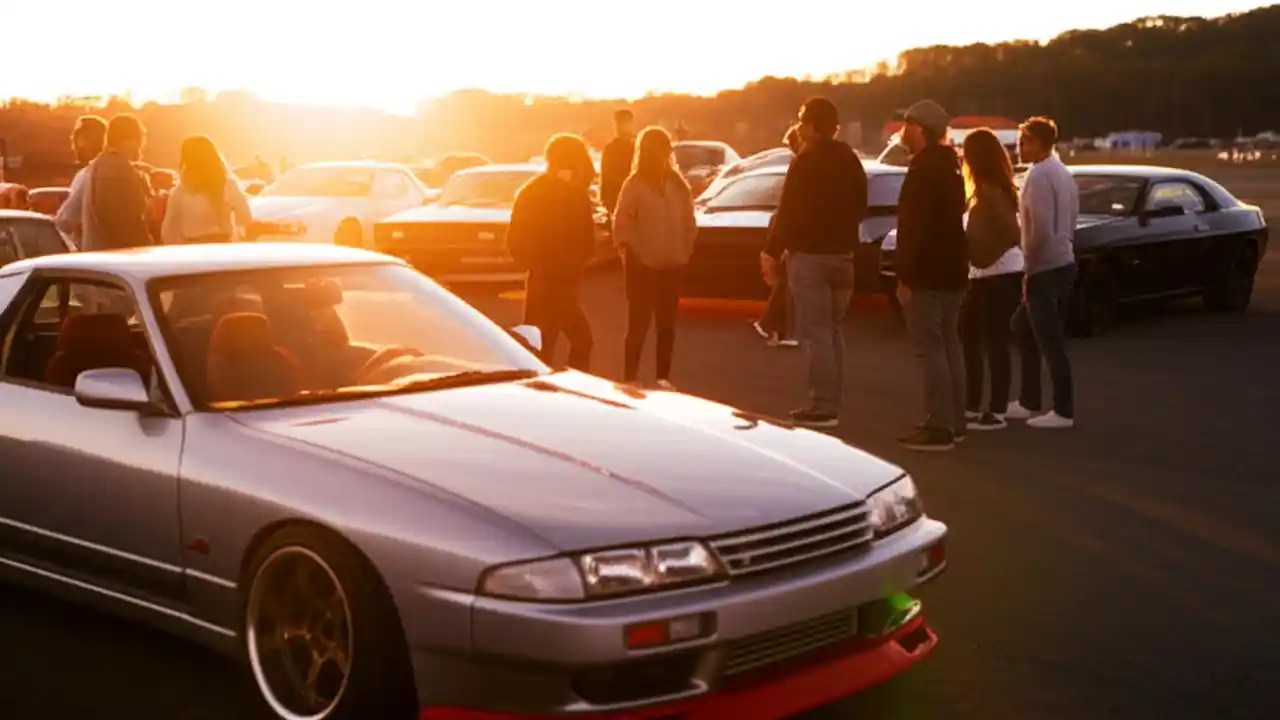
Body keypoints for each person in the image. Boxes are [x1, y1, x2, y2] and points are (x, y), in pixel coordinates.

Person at [761, 97, 867, 428]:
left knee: (816, 332)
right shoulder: (850, 159)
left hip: (810, 258)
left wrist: (771, 251)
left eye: (802, 120)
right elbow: (862, 203)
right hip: (843, 257)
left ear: (810, 125)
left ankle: (823, 406)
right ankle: (831, 400)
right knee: (832, 330)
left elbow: (788, 210)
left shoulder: (805, 161)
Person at [894, 100, 969, 451]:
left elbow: (915, 228)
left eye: (906, 126)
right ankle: (955, 421)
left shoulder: (924, 170)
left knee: (931, 348)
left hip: (928, 273)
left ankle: (938, 427)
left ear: (919, 129)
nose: (902, 132)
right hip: (953, 269)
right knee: (950, 344)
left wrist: (904, 276)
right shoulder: (951, 166)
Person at [1006, 117, 1079, 429]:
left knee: (1050, 341)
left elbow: (1040, 230)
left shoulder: (1038, 175)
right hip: (1064, 262)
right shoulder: (1063, 172)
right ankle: (1028, 400)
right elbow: (1071, 217)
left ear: (1038, 142)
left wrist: (1029, 270)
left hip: (1045, 267)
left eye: (1025, 141)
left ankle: (1063, 411)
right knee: (1021, 327)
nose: (1020, 148)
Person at [613, 126, 697, 389]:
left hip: (672, 264)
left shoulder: (678, 185)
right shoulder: (634, 184)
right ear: (644, 152)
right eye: (653, 149)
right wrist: (631, 252)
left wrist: (684, 249)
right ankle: (630, 378)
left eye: (664, 148)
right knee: (638, 325)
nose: (659, 154)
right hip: (641, 266)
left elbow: (689, 221)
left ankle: (663, 378)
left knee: (667, 326)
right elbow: (622, 223)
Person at [506, 133, 597, 371]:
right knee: (575, 342)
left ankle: (551, 395)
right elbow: (588, 242)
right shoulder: (571, 194)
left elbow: (515, 241)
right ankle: (571, 391)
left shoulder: (534, 191)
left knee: (542, 349)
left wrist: (537, 262)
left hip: (545, 279)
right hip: (555, 282)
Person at [959, 129, 1025, 432]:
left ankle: (995, 411)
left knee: (995, 341)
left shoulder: (992, 190)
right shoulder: (985, 187)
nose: (963, 155)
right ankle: (972, 403)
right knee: (969, 336)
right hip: (984, 273)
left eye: (966, 151)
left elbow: (1013, 232)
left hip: (1001, 273)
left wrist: (985, 253)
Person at [753, 125, 803, 348]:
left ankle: (771, 325)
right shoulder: (800, 165)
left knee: (786, 282)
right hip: (790, 229)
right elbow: (791, 205)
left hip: (786, 226)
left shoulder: (799, 164)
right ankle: (775, 327)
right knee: (787, 282)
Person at [79, 114, 153, 251]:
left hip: (99, 252)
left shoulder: (100, 164)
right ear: (129, 139)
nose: (141, 144)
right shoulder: (117, 167)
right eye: (139, 138)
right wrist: (146, 248)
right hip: (117, 254)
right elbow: (122, 219)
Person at [161, 135, 252, 244]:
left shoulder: (181, 191)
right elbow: (245, 218)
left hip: (192, 250)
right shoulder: (228, 185)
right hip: (223, 247)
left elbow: (168, 230)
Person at [54, 114, 108, 248]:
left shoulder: (88, 175)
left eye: (78, 138)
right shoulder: (120, 170)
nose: (74, 145)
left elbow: (65, 221)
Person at [600, 109, 636, 215]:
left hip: (634, 197)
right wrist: (606, 200)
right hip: (616, 197)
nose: (621, 126)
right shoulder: (611, 148)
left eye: (624, 122)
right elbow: (605, 176)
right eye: (619, 123)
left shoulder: (638, 145)